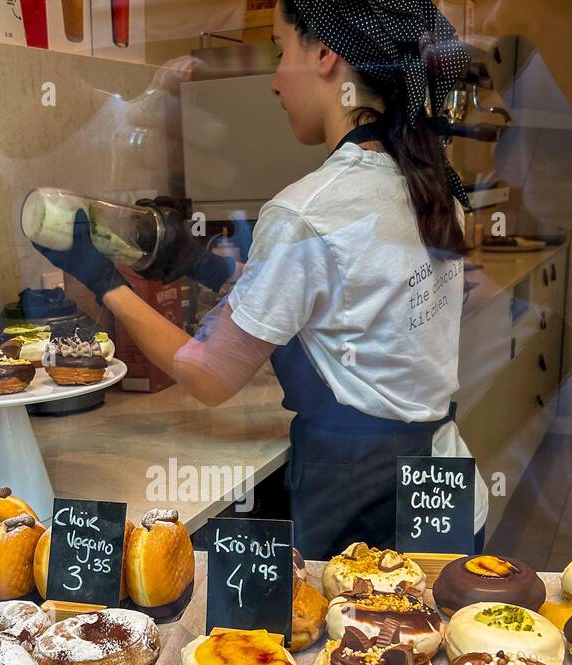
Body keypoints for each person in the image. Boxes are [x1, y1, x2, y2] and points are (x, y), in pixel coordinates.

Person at [33, 0, 488, 559]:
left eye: (280, 50)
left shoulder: (307, 211)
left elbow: (209, 376)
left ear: (324, 54)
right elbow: (353, 303)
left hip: (366, 518)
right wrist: (211, 267)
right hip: (446, 495)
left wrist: (103, 281)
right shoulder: (431, 183)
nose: (274, 80)